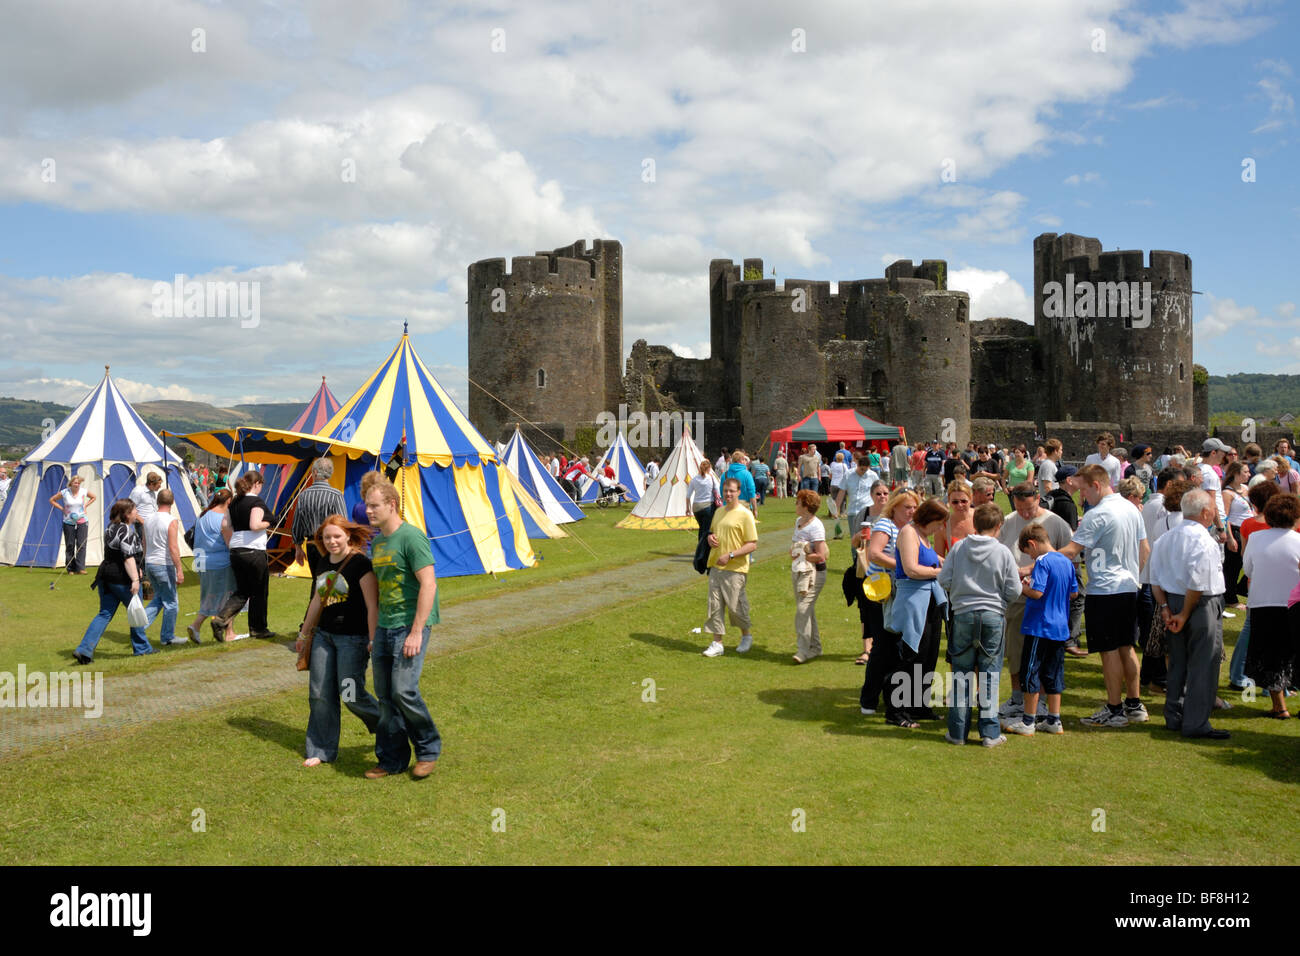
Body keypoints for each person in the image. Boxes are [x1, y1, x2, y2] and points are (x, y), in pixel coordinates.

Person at [1059, 464, 1150, 728]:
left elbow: (1071, 550)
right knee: (1126, 647)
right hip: (1128, 587)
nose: (1082, 497)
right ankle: (1134, 704)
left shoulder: (1097, 514)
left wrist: (1037, 561)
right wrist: (1136, 577)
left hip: (1104, 591)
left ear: (1096, 486)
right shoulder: (1131, 508)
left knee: (1108, 651)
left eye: (1084, 490)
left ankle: (1114, 708)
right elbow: (1144, 548)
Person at [363, 477, 441, 779]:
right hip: (384, 626)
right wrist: (374, 635)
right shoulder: (379, 541)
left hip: (410, 624)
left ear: (391, 505)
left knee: (404, 690)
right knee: (385, 695)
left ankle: (428, 749)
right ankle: (392, 759)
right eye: (367, 506)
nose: (368, 511)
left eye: (374, 506)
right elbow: (380, 590)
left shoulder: (412, 537)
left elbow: (428, 584)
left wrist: (417, 631)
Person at [296, 515, 383, 767]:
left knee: (350, 694)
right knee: (320, 694)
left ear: (347, 535)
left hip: (352, 639)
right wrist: (304, 633)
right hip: (323, 636)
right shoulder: (323, 562)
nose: (332, 541)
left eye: (336, 536)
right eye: (327, 537)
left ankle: (391, 726)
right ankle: (321, 749)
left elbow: (371, 605)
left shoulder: (360, 564)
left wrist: (373, 638)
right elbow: (316, 600)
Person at [1148, 489, 1230, 740]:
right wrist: (1183, 613)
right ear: (1206, 512)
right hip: (1199, 604)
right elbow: (1198, 583)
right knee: (1203, 663)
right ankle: (1196, 722)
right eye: (1213, 509)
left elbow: (1154, 579)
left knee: (1178, 662)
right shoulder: (1204, 541)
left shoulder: (1166, 538)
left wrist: (1165, 609)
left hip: (1172, 601)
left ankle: (1175, 714)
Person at [939, 502, 1021, 746]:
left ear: (975, 524)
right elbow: (1014, 589)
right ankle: (989, 733)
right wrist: (1000, 601)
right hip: (993, 615)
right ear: (999, 526)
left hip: (963, 614)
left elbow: (944, 579)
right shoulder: (1003, 552)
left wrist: (960, 594)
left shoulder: (959, 547)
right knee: (989, 674)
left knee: (961, 675)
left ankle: (957, 732)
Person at [997, 483, 1073, 720]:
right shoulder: (1009, 521)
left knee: (1040, 658)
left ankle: (1036, 705)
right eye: (1020, 509)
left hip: (1043, 602)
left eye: (1029, 509)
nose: (1025, 515)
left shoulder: (1056, 523)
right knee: (1015, 650)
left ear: (1037, 498)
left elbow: (1069, 558)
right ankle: (1019, 698)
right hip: (1018, 600)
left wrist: (1028, 573)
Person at [1008, 523, 1080, 736]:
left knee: (1031, 671)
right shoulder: (1066, 562)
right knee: (1054, 672)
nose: (1030, 557)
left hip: (1039, 626)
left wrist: (1018, 585)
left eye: (1028, 552)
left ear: (1032, 544)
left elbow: (1037, 592)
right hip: (1060, 627)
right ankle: (1054, 719)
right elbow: (1073, 593)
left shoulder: (1042, 561)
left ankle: (1028, 721)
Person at [884, 498, 948, 728]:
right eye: (939, 523)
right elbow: (911, 568)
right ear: (929, 518)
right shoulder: (909, 533)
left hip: (930, 601)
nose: (941, 528)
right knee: (910, 655)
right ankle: (896, 711)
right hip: (912, 601)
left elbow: (939, 561)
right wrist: (941, 572)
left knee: (928, 656)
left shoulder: (924, 536)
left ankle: (918, 705)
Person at [1241, 493, 1300, 719]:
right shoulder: (1297, 540)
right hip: (1294, 604)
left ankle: (1279, 706)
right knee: (1294, 653)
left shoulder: (1256, 539)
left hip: (1263, 602)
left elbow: (1248, 570)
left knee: (1270, 655)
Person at [860, 490, 919, 714]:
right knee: (883, 646)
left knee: (895, 647)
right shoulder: (885, 525)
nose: (911, 511)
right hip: (881, 593)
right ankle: (869, 699)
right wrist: (905, 565)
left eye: (914, 507)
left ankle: (890, 697)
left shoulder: (911, 529)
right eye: (906, 507)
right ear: (894, 507)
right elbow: (873, 554)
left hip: (900, 592)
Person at [73, 500, 154, 662]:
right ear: (127, 514)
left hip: (105, 576)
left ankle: (84, 650)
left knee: (104, 614)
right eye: (134, 510)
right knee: (136, 611)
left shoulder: (110, 527)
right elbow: (127, 558)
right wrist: (135, 580)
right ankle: (142, 648)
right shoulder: (126, 531)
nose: (136, 513)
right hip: (121, 578)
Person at [210, 470, 276, 642]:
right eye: (261, 484)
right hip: (253, 550)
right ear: (257, 484)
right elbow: (255, 525)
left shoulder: (234, 502)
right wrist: (269, 522)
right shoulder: (256, 501)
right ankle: (258, 629)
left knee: (243, 591)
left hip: (236, 549)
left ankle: (220, 619)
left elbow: (225, 525)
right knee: (259, 591)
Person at [1227, 481, 1280, 690]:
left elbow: (1244, 556)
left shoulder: (1248, 524)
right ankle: (1275, 684)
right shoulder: (1285, 524)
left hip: (1255, 581)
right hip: (1281, 584)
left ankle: (1237, 675)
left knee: (1249, 629)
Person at [701, 477, 759, 658]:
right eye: (725, 490)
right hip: (716, 566)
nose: (728, 494)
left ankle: (746, 636)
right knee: (715, 605)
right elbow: (712, 533)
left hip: (735, 568)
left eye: (732, 491)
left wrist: (731, 555)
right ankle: (717, 643)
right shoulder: (718, 512)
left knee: (736, 606)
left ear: (738, 492)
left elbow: (752, 544)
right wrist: (710, 538)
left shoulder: (745, 514)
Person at [293, 458, 348, 617]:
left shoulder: (304, 496)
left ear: (315, 473)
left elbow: (297, 524)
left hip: (311, 544)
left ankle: (314, 622)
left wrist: (298, 547)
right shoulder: (336, 495)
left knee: (320, 582)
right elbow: (342, 523)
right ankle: (313, 622)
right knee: (328, 582)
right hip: (331, 545)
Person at [138, 489, 190, 647]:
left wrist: (145, 562)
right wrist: (179, 570)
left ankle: (138, 628)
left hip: (150, 562)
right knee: (171, 602)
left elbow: (144, 542)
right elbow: (173, 547)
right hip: (163, 563)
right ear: (172, 502)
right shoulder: (171, 520)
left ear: (157, 501)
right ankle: (167, 637)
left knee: (159, 599)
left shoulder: (148, 519)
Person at [851, 481, 892, 664]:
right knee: (865, 609)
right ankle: (867, 650)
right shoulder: (864, 514)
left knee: (884, 609)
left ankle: (882, 645)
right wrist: (860, 536)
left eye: (885, 493)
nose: (882, 497)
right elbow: (853, 543)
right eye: (878, 493)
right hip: (865, 567)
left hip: (887, 568)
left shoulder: (893, 515)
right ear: (871, 495)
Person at [190, 488, 237, 643]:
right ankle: (225, 631)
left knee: (211, 596)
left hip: (202, 560)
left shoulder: (203, 516)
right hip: (220, 562)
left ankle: (226, 631)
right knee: (229, 596)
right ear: (229, 501)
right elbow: (230, 543)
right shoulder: (223, 518)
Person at [790, 489, 829, 664]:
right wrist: (796, 551)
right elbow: (793, 547)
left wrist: (803, 553)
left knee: (803, 609)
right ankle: (815, 648)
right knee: (807, 609)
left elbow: (821, 555)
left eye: (798, 502)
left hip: (815, 573)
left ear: (806, 506)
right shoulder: (799, 521)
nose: (796, 505)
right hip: (799, 571)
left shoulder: (816, 525)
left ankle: (803, 650)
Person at [1221, 461, 1252, 609]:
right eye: (1245, 472)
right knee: (1233, 566)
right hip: (1235, 530)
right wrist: (1230, 538)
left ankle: (1235, 592)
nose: (1249, 474)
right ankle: (1230, 598)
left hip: (1247, 530)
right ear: (1236, 474)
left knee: (1242, 564)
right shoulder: (1227, 493)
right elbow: (1225, 516)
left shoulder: (1245, 488)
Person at [50, 474, 95, 574]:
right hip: (68, 521)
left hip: (82, 520)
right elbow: (52, 500)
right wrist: (62, 508)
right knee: (70, 544)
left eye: (79, 483)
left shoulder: (83, 491)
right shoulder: (65, 492)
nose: (77, 484)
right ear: (71, 483)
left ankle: (80, 568)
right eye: (75, 482)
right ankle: (70, 568)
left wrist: (85, 506)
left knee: (81, 544)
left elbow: (93, 497)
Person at [689, 459, 721, 571]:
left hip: (696, 507)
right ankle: (703, 555)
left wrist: (687, 508)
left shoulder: (694, 479)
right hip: (708, 506)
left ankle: (700, 551)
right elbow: (717, 491)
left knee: (702, 529)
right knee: (707, 532)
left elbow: (688, 495)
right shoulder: (711, 478)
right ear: (709, 468)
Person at [840, 454, 880, 542]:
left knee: (868, 538)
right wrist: (836, 508)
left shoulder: (873, 476)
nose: (863, 472)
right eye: (862, 469)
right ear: (857, 465)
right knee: (855, 539)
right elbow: (842, 492)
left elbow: (879, 492)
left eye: (866, 470)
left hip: (868, 511)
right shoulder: (848, 474)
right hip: (853, 511)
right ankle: (855, 556)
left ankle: (867, 555)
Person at [934, 480, 974, 560]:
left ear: (971, 499)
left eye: (964, 501)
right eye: (955, 502)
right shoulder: (942, 527)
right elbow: (938, 559)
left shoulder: (981, 517)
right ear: (949, 501)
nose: (960, 505)